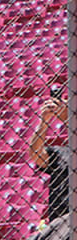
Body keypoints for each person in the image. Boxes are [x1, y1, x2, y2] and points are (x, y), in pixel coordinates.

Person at [28, 80, 70, 224]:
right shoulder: (62, 153)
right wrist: (44, 121)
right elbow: (36, 154)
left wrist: (69, 118)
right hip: (60, 224)